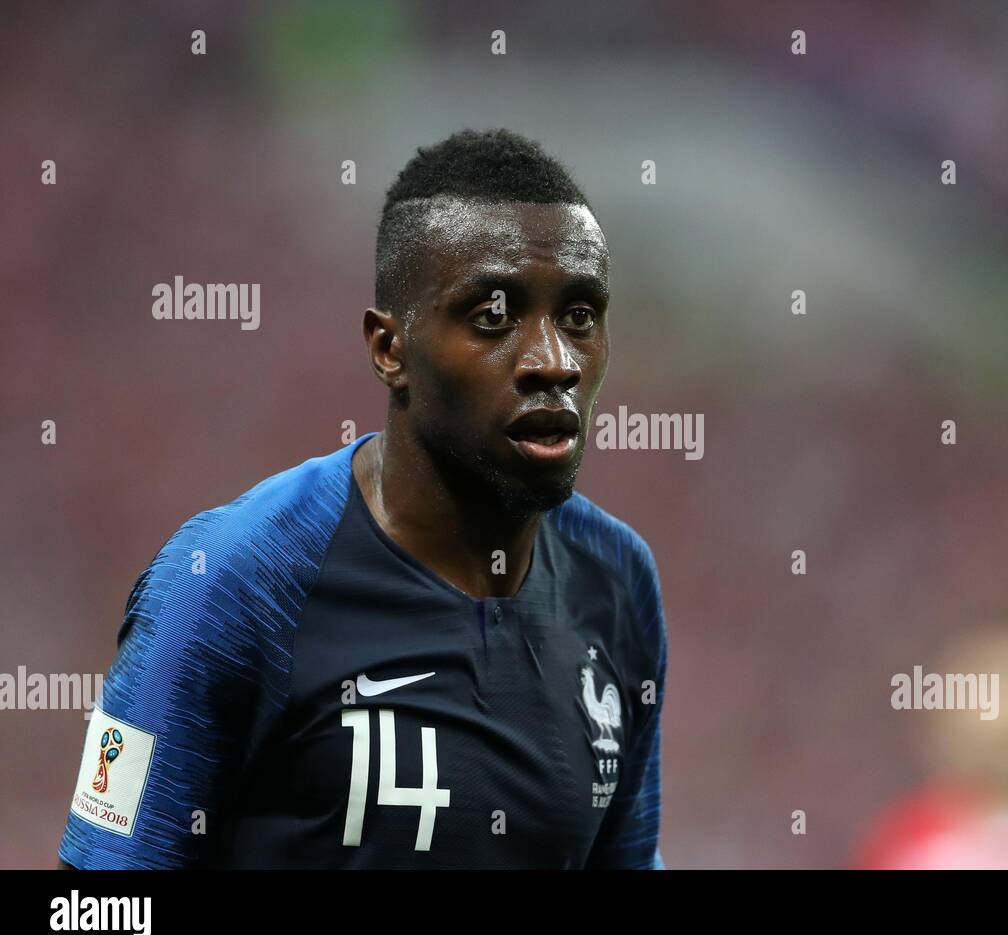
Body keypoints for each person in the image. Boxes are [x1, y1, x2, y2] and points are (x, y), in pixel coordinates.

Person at [58, 129, 668, 868]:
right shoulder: (227, 581)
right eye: (492, 317)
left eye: (579, 316)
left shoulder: (618, 582)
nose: (553, 361)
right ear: (390, 349)